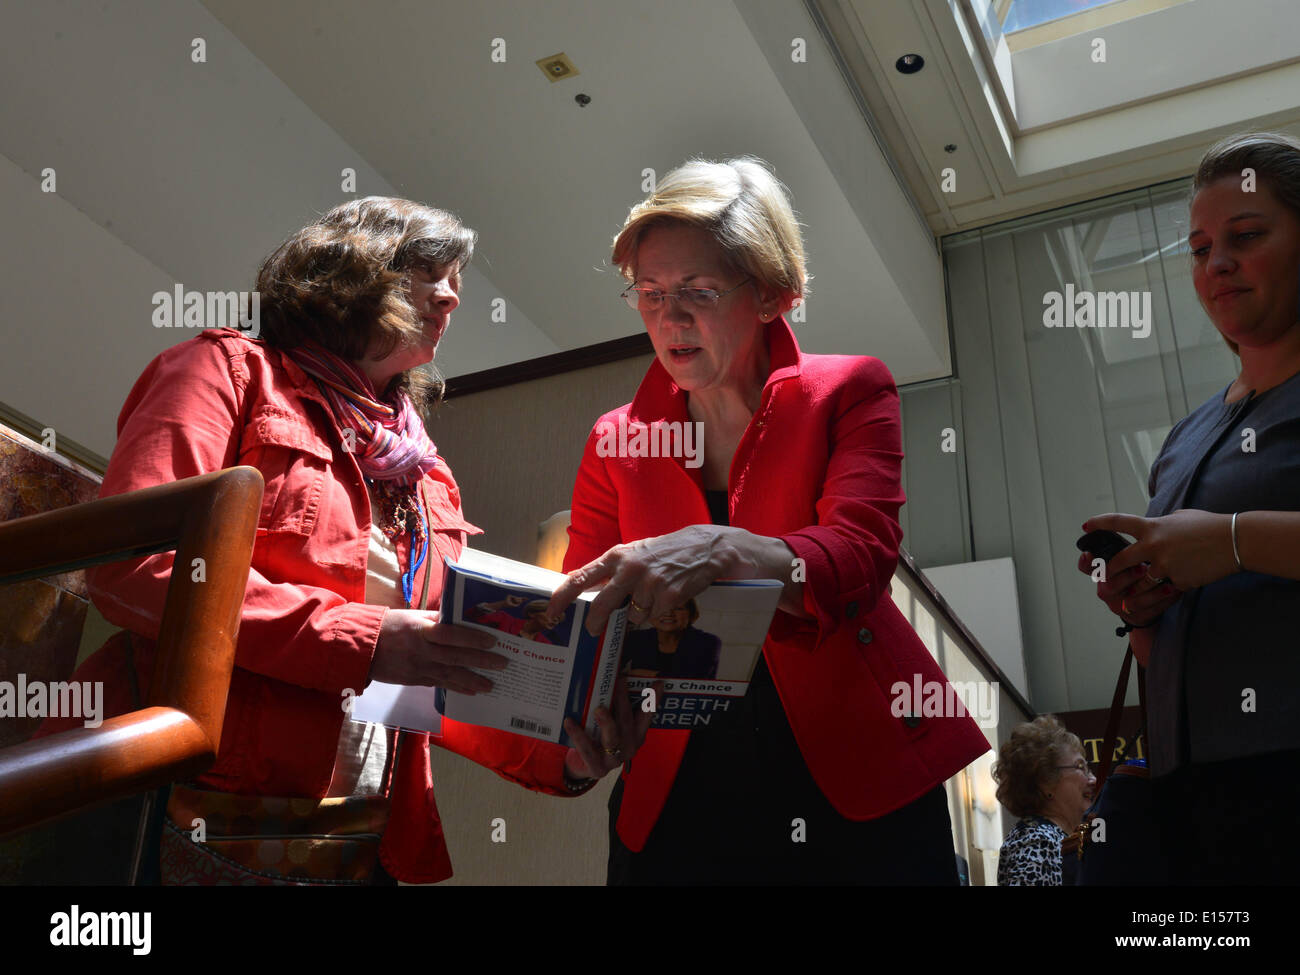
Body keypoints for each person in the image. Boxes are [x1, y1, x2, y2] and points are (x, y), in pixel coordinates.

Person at [40, 197, 642, 885]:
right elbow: (135, 566)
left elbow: (447, 677)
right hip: (191, 808)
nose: (450, 295)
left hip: (359, 845)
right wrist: (369, 638)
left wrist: (565, 752)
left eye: (457, 282)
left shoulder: (429, 475)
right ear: (350, 268)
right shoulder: (226, 371)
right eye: (427, 270)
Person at [547, 157, 991, 884]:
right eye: (650, 294)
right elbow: (584, 617)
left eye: (698, 291)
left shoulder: (848, 388)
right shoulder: (614, 437)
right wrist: (584, 732)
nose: (670, 317)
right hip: (677, 793)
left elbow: (859, 554)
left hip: (849, 773)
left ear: (773, 293)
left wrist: (720, 547)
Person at [1078, 132, 1300, 885]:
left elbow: (1227, 550)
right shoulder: (1185, 437)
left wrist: (1234, 541)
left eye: (1246, 237)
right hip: (1190, 792)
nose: (1216, 265)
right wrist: (1143, 601)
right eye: (1201, 249)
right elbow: (1157, 651)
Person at [992, 716, 1095, 886]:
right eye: (1080, 767)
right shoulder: (1037, 841)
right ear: (1045, 781)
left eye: (1088, 769)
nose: (1092, 779)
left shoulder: (1058, 838)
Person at [621, 600, 721, 679]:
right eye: (659, 608)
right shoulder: (636, 638)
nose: (668, 613)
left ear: (691, 614)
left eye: (678, 608)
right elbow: (612, 671)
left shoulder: (708, 642)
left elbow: (694, 678)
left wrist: (650, 674)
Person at [466, 595, 561, 644]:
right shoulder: (505, 620)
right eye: (551, 614)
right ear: (532, 613)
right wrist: (503, 604)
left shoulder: (546, 644)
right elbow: (472, 615)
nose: (556, 620)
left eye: (558, 618)